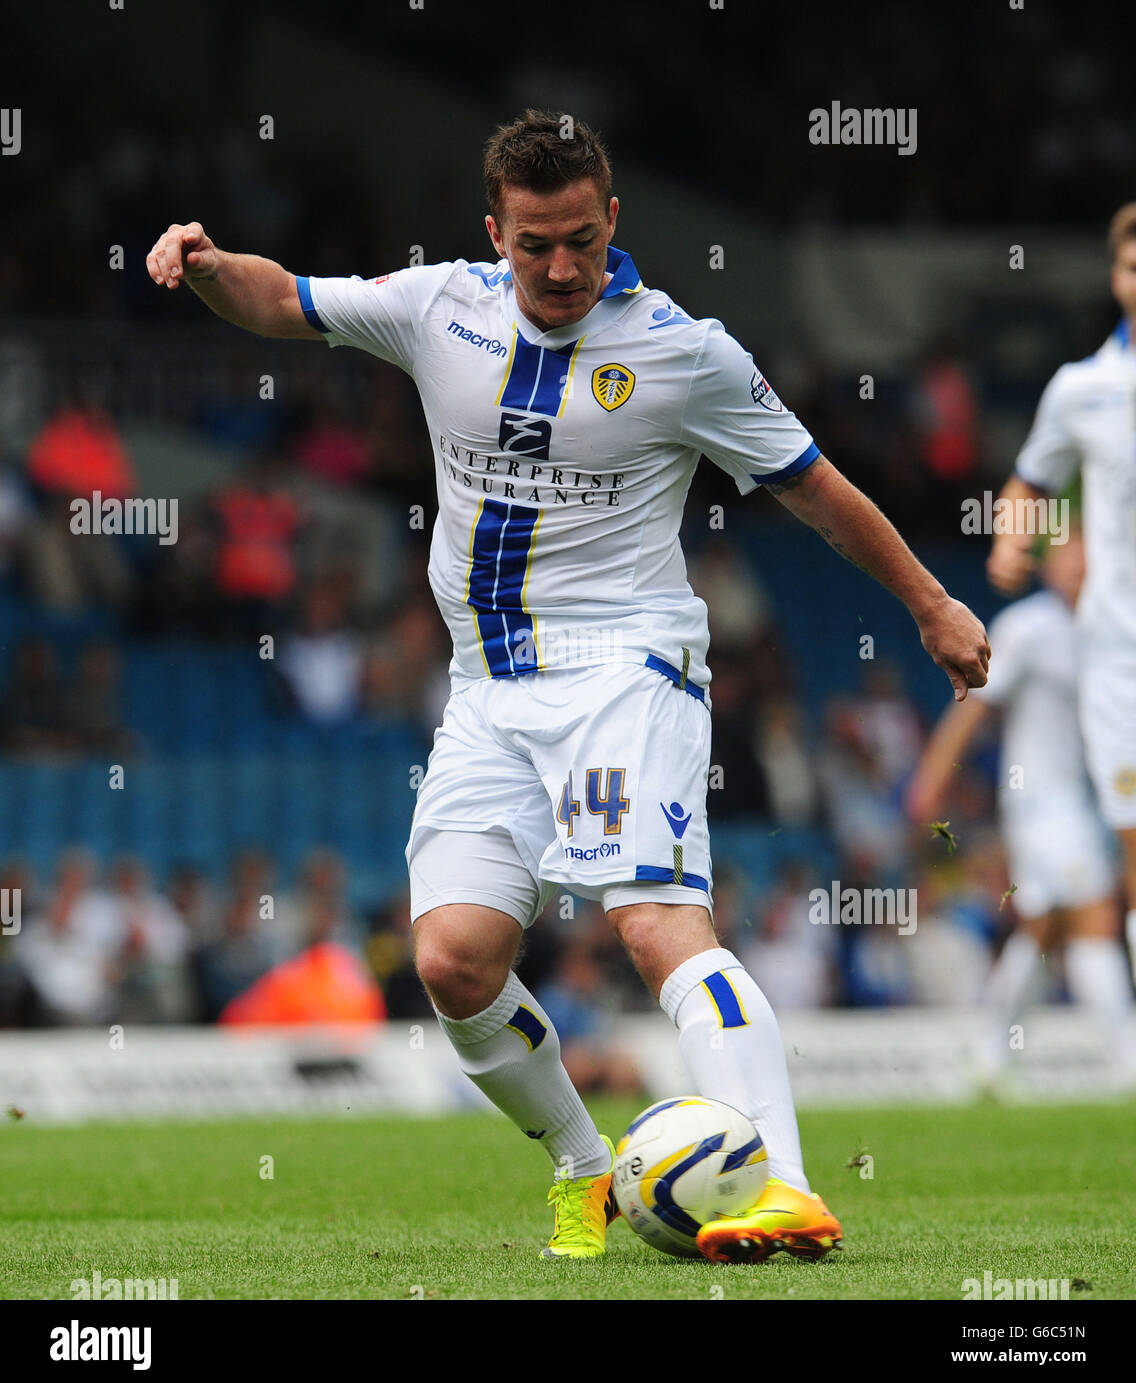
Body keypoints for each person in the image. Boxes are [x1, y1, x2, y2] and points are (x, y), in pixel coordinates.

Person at [147, 110, 989, 1263]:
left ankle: (784, 1184)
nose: (558, 268)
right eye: (534, 242)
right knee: (449, 959)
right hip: (486, 693)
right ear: (494, 230)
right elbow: (280, 298)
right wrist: (200, 266)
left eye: (581, 242)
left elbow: (813, 487)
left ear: (611, 226)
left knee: (651, 923)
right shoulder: (437, 306)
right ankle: (584, 1165)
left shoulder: (684, 353)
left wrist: (929, 604)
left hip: (625, 671)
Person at [908, 527, 1132, 1087]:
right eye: (1072, 551)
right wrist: (932, 779)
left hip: (1085, 804)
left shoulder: (1107, 629)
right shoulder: (1028, 627)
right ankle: (1130, 1056)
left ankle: (988, 1056)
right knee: (1095, 916)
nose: (1083, 562)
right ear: (1050, 564)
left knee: (1044, 931)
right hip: (1040, 803)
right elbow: (973, 710)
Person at [988, 203, 1136, 993]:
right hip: (1120, 655)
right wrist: (1014, 537)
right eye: (1132, 266)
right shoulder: (1084, 389)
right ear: (1115, 279)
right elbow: (1030, 479)